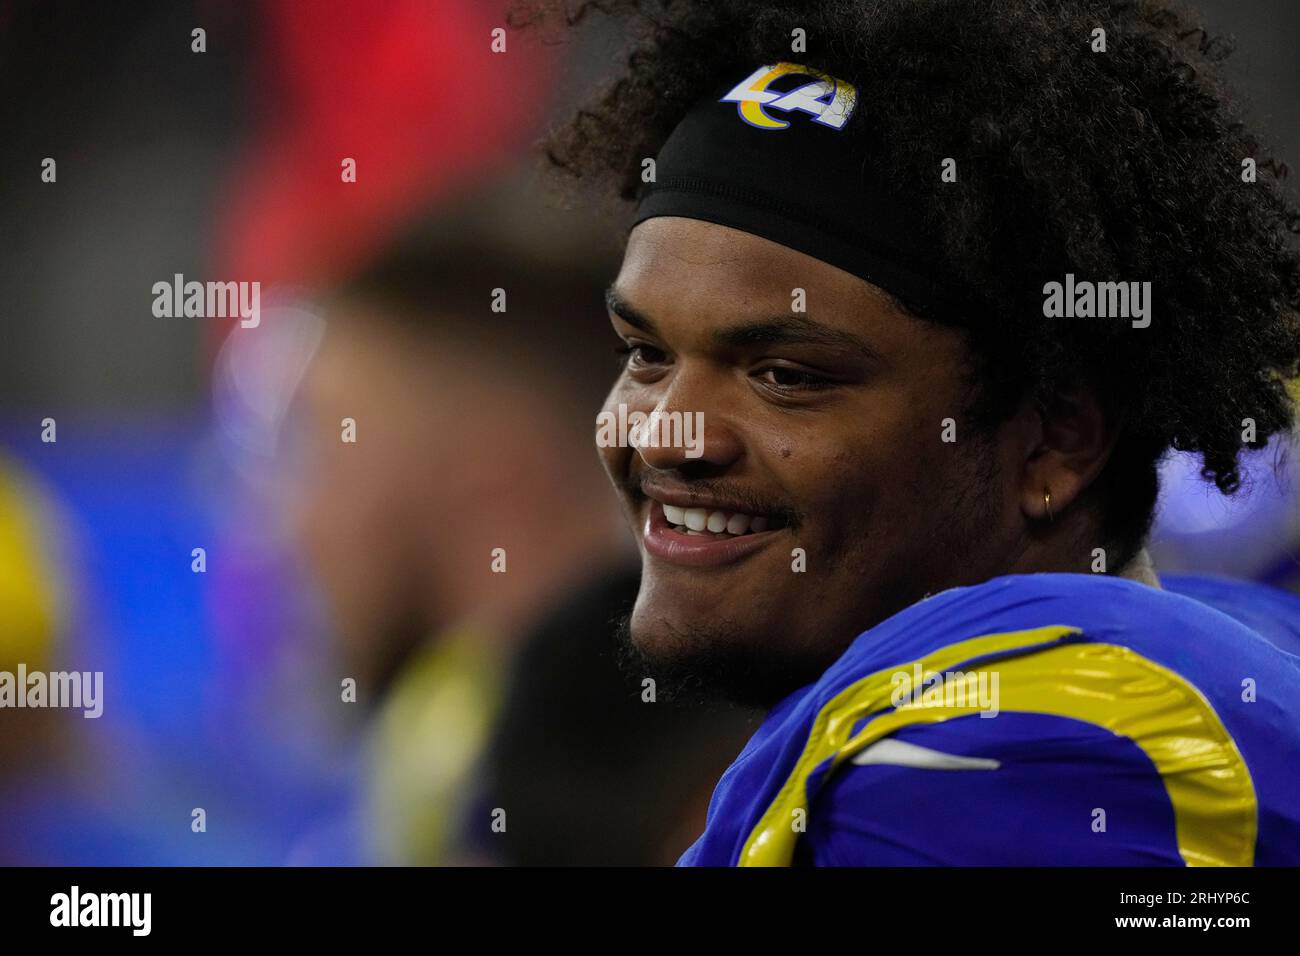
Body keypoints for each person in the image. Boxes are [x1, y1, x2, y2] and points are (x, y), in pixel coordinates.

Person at [540, 0, 1300, 865]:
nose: (668, 434)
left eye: (787, 377)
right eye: (644, 353)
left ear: (1056, 441)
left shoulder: (993, 748)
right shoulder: (1211, 639)